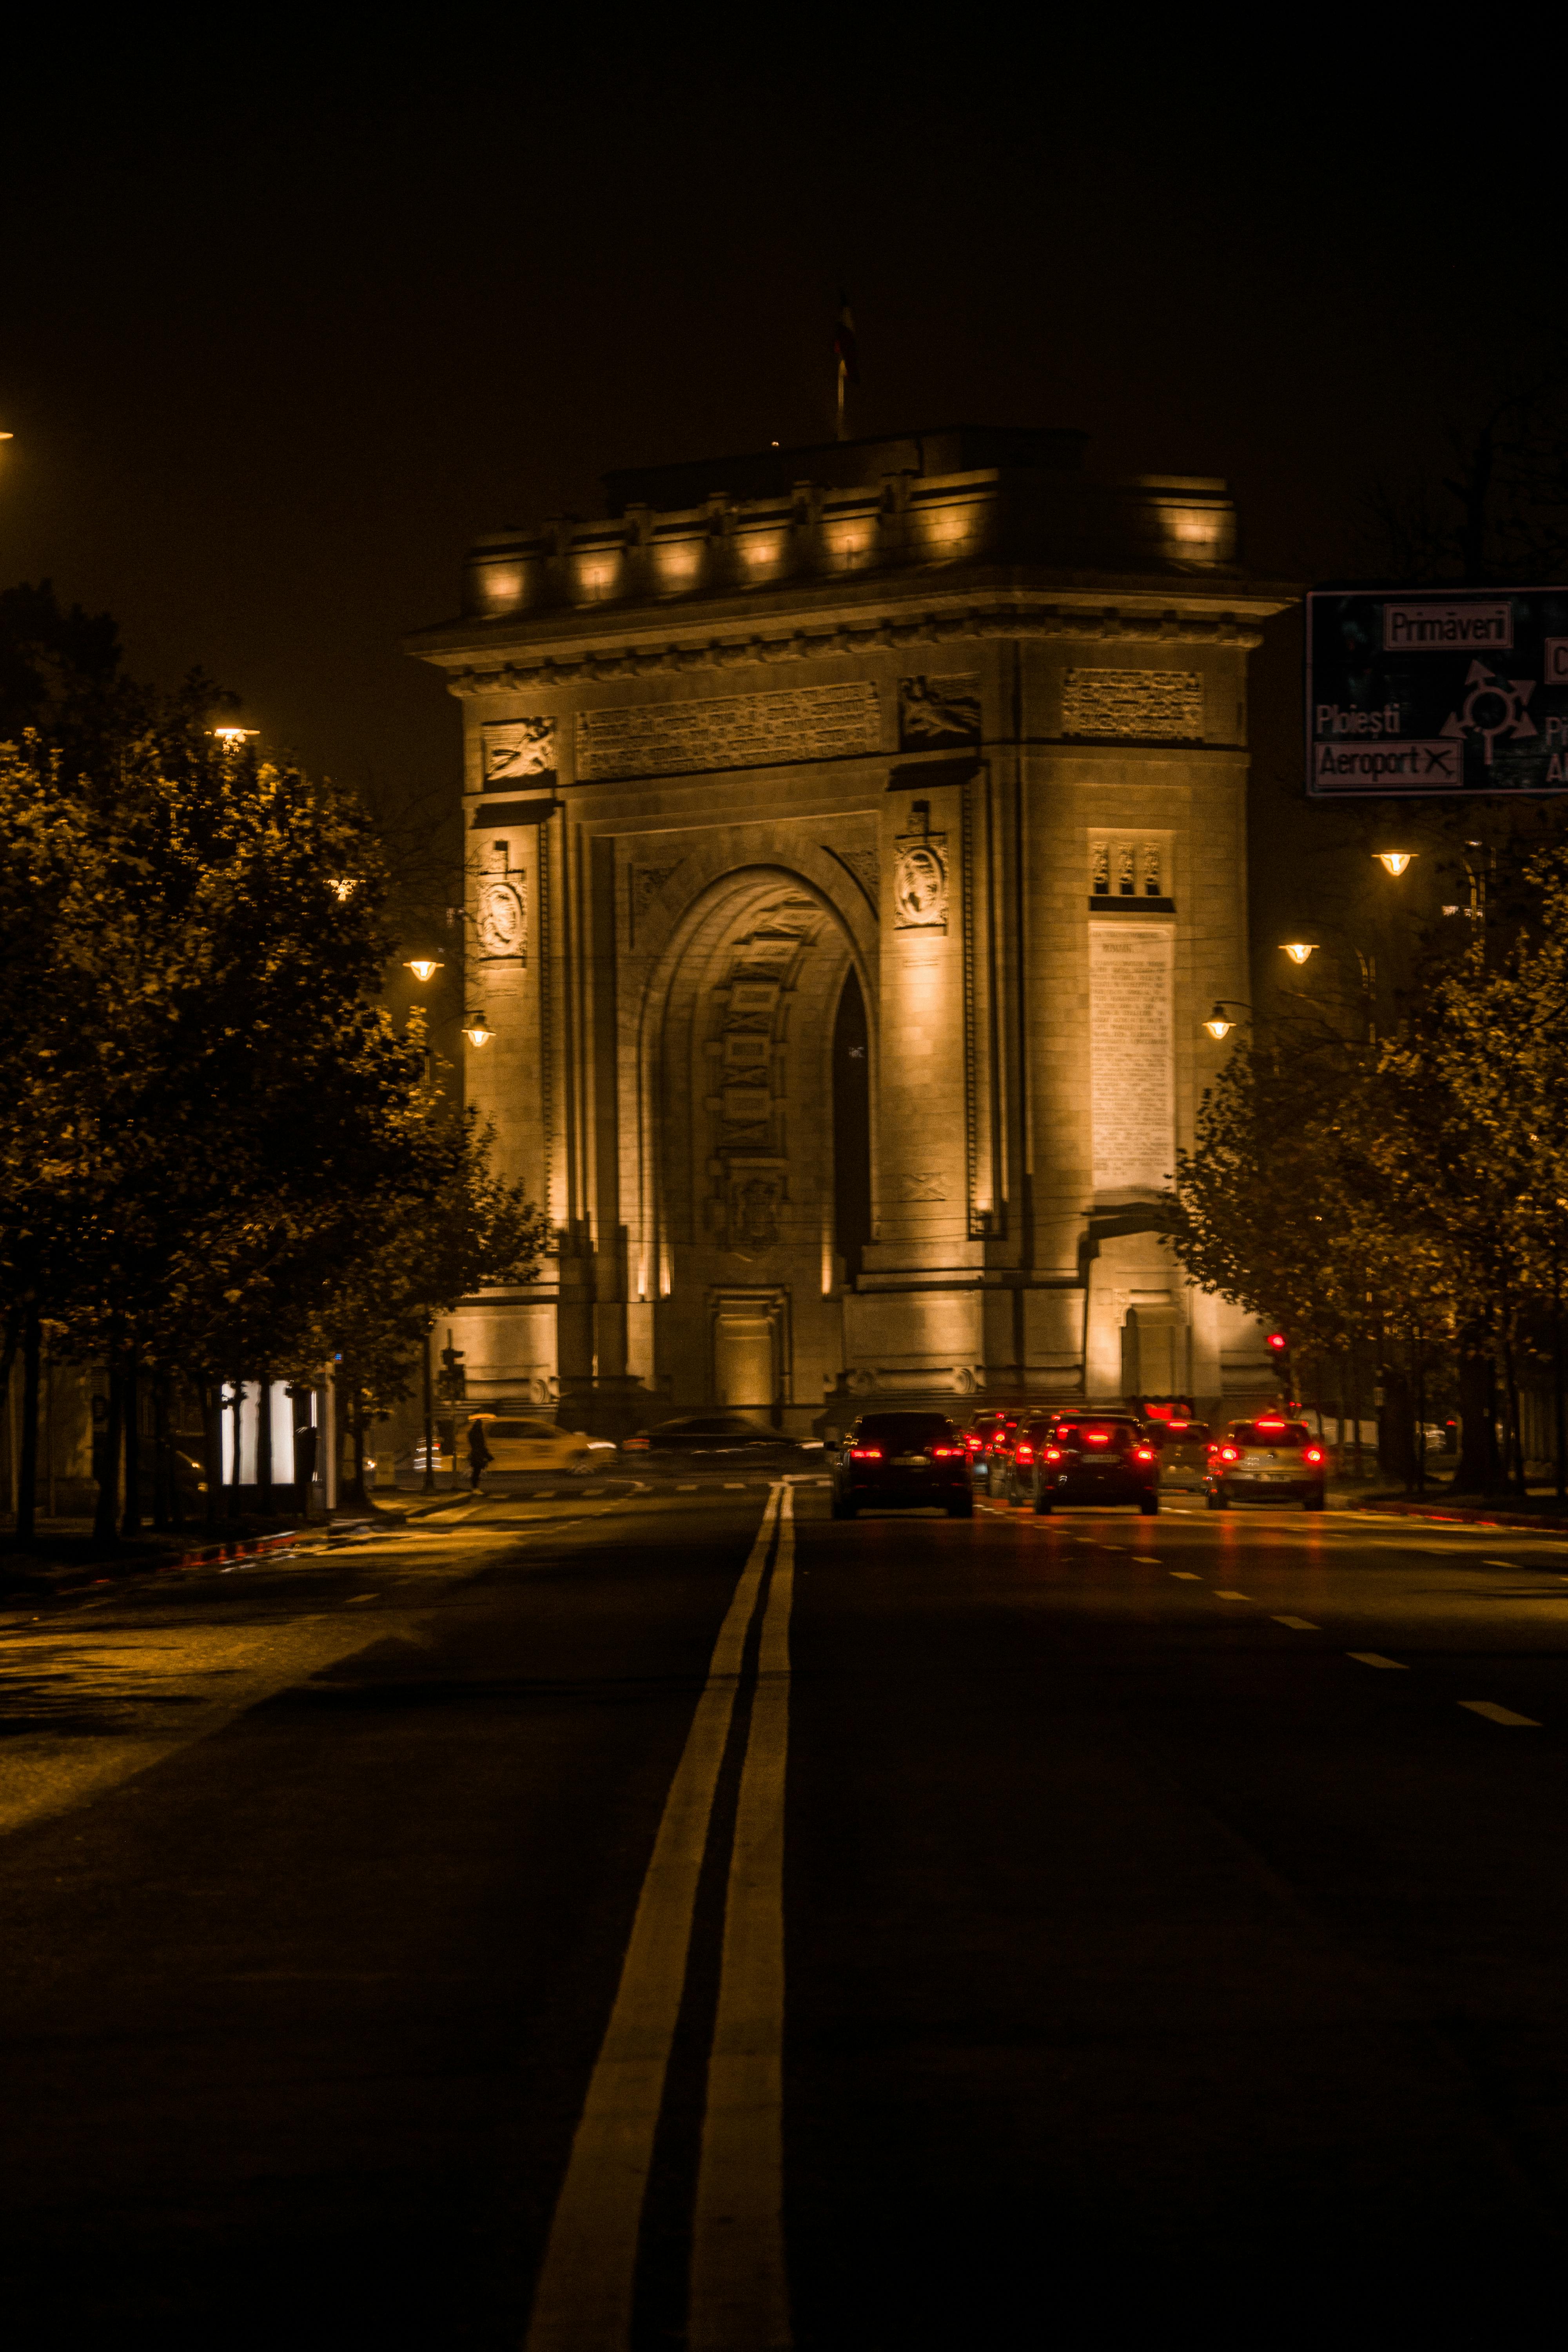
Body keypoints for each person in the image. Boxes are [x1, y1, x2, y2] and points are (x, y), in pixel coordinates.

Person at [466, 1415, 492, 1491]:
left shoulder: (472, 1433)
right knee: (477, 1472)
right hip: (478, 1456)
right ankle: (475, 1488)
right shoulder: (479, 1434)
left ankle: (475, 1487)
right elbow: (481, 1446)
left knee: (476, 1471)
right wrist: (488, 1456)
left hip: (475, 1455)